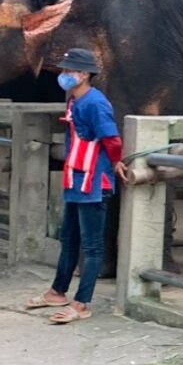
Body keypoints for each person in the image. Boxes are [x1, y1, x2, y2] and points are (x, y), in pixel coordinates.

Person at [27, 48, 126, 324]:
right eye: (63, 70)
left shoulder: (95, 103)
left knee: (92, 246)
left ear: (84, 74)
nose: (63, 75)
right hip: (76, 179)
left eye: (69, 70)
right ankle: (57, 291)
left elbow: (112, 139)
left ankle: (82, 303)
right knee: (69, 238)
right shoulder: (74, 100)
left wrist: (116, 162)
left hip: (93, 181)